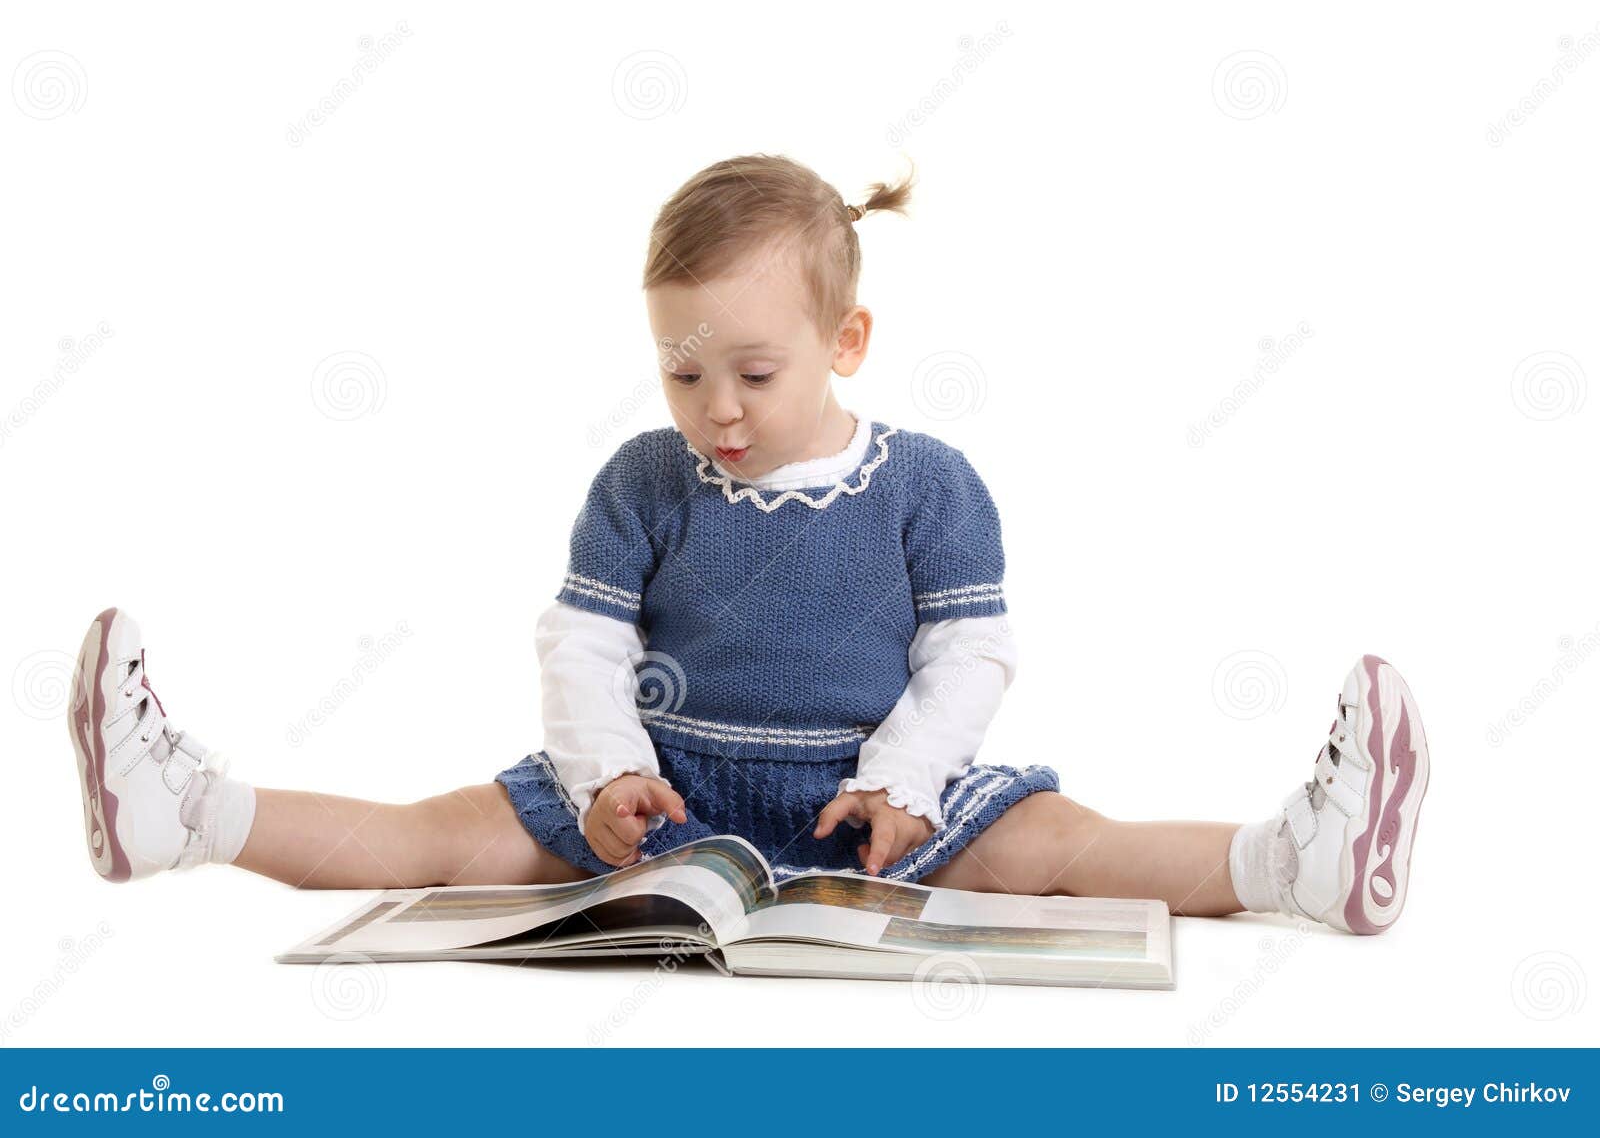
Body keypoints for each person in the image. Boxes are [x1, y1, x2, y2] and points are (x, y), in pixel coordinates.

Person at [65, 154, 1429, 934]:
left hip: (867, 800)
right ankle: (187, 813)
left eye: (756, 375)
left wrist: (904, 783)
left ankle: (1290, 863)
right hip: (670, 796)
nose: (715, 408)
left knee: (1055, 846)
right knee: (443, 836)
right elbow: (583, 645)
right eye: (680, 371)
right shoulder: (643, 482)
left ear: (847, 345)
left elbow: (968, 655)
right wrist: (609, 776)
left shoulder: (930, 484)